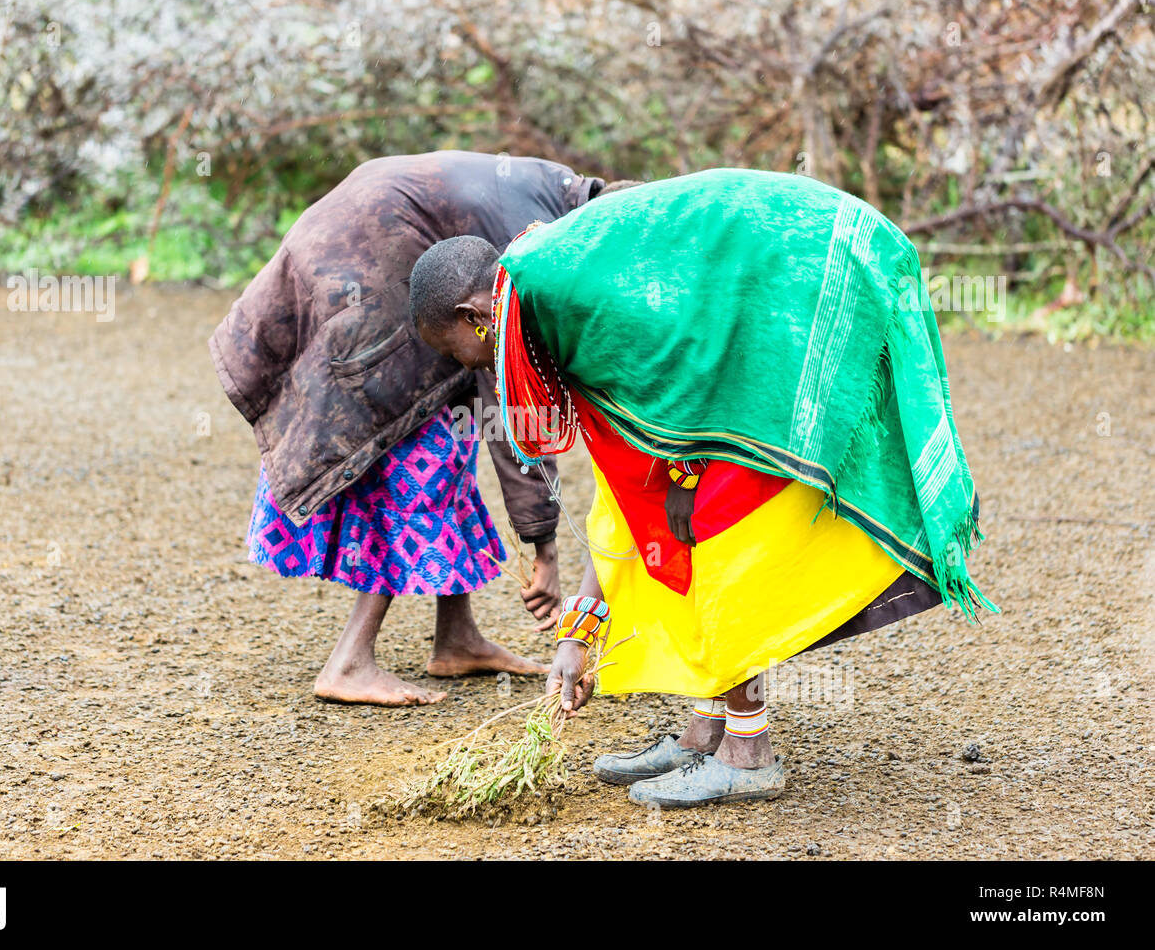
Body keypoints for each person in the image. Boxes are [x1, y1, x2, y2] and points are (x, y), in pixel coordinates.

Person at [408, 167, 997, 805]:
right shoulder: (531, 297)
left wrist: (688, 473)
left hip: (802, 273)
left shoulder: (556, 291)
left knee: (718, 526)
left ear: (474, 317)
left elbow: (688, 365)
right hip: (760, 289)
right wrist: (579, 631)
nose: (464, 368)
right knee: (660, 520)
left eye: (454, 351)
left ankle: (749, 753)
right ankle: (703, 734)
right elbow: (623, 488)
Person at [209, 151, 611, 707]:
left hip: (359, 263)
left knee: (450, 446)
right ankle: (349, 661)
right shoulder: (532, 234)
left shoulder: (545, 190)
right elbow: (510, 388)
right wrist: (543, 546)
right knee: (414, 467)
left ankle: (457, 638)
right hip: (361, 287)